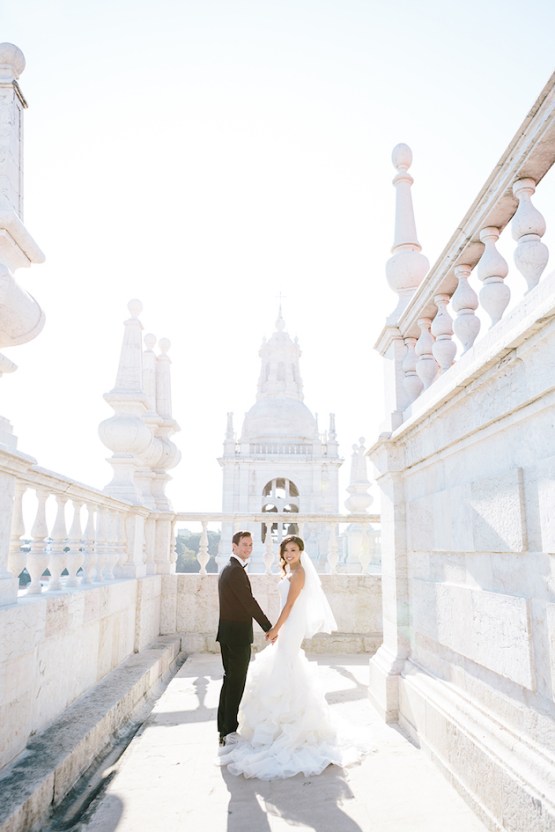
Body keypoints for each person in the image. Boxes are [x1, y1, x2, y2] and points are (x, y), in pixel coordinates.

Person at [217, 534, 368, 779]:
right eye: (286, 550)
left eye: (294, 550)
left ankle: (288, 723)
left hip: (291, 624)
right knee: (283, 667)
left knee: (285, 664)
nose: (289, 554)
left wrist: (274, 628)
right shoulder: (287, 571)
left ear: (301, 552)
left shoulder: (299, 574)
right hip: (286, 625)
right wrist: (275, 627)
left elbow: (289, 606)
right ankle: (271, 724)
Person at [216, 530, 274, 748]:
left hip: (228, 634)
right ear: (234, 546)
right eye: (244, 545)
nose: (248, 549)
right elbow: (249, 603)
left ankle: (224, 730)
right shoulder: (235, 572)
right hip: (237, 636)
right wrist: (269, 628)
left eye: (250, 545)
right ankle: (229, 731)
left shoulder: (229, 569)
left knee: (229, 681)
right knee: (235, 684)